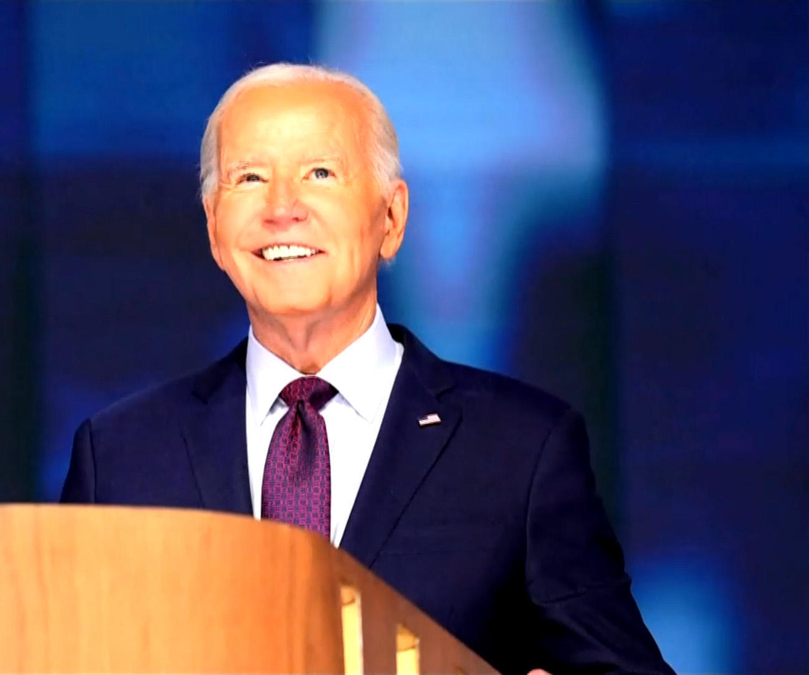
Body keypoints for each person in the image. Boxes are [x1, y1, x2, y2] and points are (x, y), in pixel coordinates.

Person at [60, 62, 672, 675]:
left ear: (392, 217)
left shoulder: (523, 449)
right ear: (215, 229)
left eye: (319, 173)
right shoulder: (120, 457)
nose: (282, 208)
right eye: (249, 178)